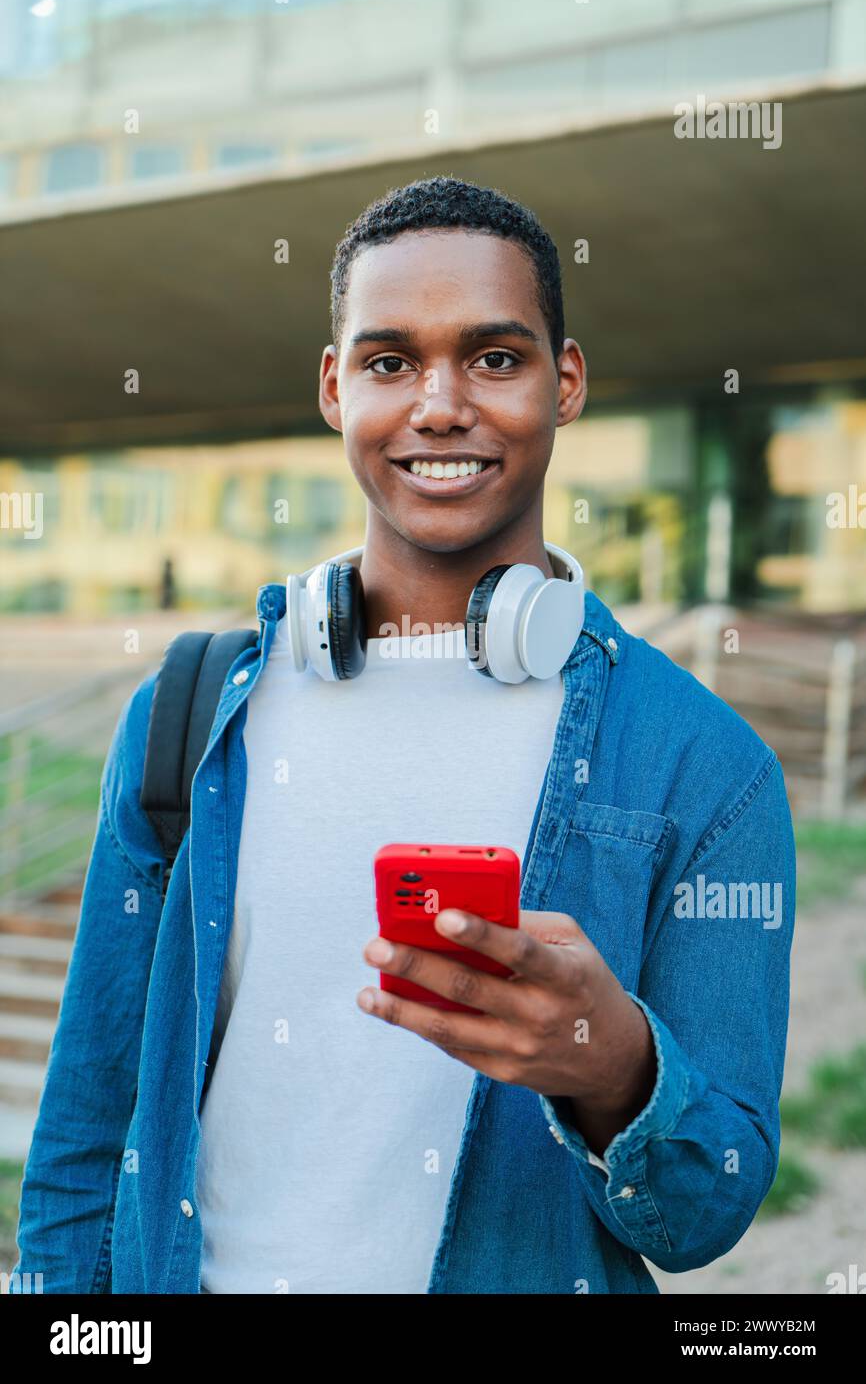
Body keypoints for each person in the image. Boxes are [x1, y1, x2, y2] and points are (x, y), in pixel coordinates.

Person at [12, 176, 795, 1295]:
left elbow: (705, 1210)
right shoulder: (188, 720)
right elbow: (89, 1121)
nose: (438, 405)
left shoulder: (704, 767)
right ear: (335, 388)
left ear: (563, 383)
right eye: (389, 362)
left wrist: (610, 1063)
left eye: (493, 357)